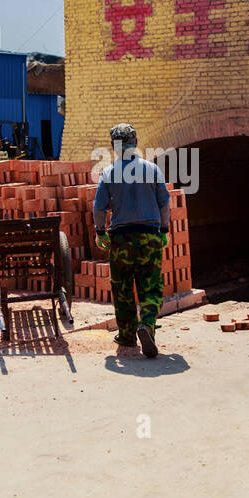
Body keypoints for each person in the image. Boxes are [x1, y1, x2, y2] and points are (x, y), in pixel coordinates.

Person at [92, 123, 170, 358]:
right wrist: (164, 230)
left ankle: (127, 335)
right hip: (149, 236)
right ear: (135, 143)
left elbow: (99, 208)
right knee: (151, 286)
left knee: (122, 288)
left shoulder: (108, 172)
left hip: (121, 239)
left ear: (115, 148)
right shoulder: (152, 169)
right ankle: (147, 324)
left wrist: (100, 232)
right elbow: (164, 204)